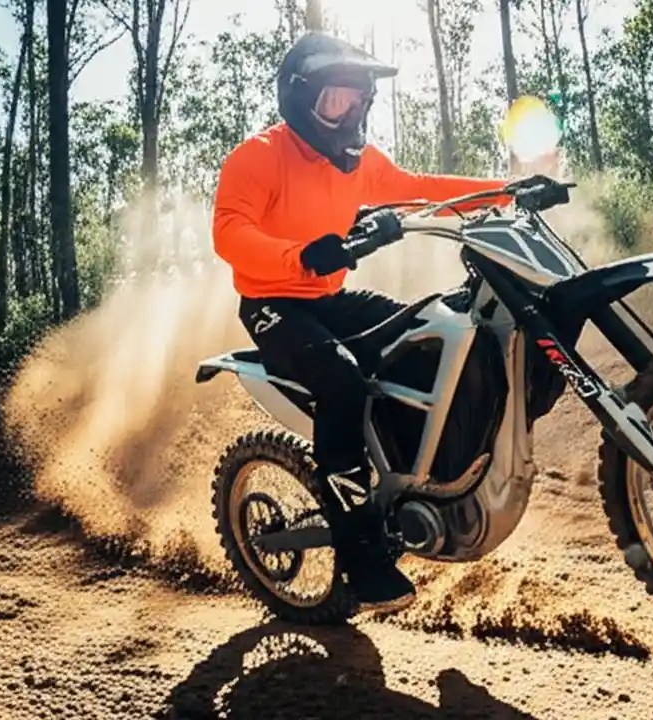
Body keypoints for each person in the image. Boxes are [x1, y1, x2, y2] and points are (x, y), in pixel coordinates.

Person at [211, 32, 546, 613]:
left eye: (360, 100)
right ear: (301, 98)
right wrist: (302, 255)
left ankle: (419, 478)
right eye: (337, 100)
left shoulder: (361, 164)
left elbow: (420, 190)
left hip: (328, 298)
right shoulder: (258, 156)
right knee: (340, 382)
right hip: (273, 305)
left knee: (437, 335)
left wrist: (506, 192)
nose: (351, 113)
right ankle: (362, 553)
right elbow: (229, 233)